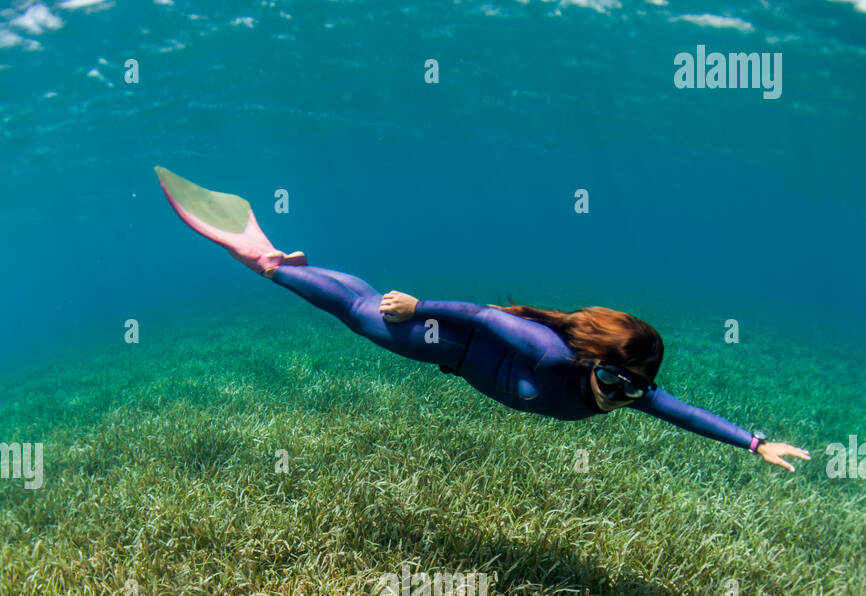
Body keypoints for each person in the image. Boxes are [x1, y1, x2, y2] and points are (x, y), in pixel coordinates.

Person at [155, 167, 810, 471]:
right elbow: (481, 314)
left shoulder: (624, 386)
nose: (618, 401)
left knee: (361, 301)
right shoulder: (552, 357)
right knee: (361, 314)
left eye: (630, 392)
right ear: (592, 364)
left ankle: (289, 259)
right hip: (446, 338)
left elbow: (682, 412)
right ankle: (267, 261)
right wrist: (417, 310)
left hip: (461, 352)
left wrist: (754, 444)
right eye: (613, 386)